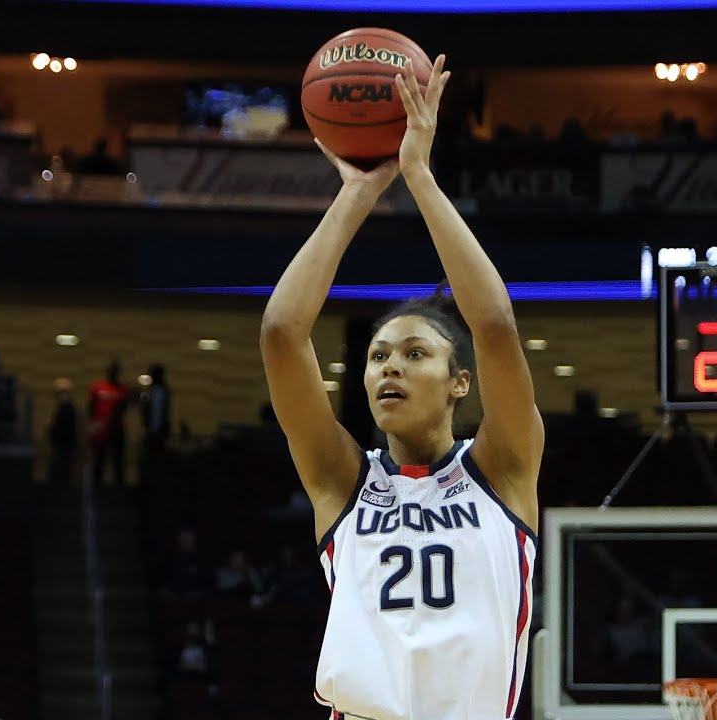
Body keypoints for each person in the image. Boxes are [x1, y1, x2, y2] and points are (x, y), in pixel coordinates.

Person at [259, 54, 544, 720]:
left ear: (458, 383)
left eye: (416, 353)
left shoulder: (502, 467)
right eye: (379, 355)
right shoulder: (342, 481)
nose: (390, 366)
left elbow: (495, 323)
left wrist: (417, 176)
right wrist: (356, 193)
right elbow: (280, 332)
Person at [88, 361, 132, 486]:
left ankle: (119, 487)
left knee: (118, 458)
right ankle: (97, 485)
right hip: (100, 428)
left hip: (117, 428)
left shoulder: (124, 389)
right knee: (99, 458)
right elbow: (91, 407)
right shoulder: (98, 387)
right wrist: (93, 425)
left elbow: (125, 407)